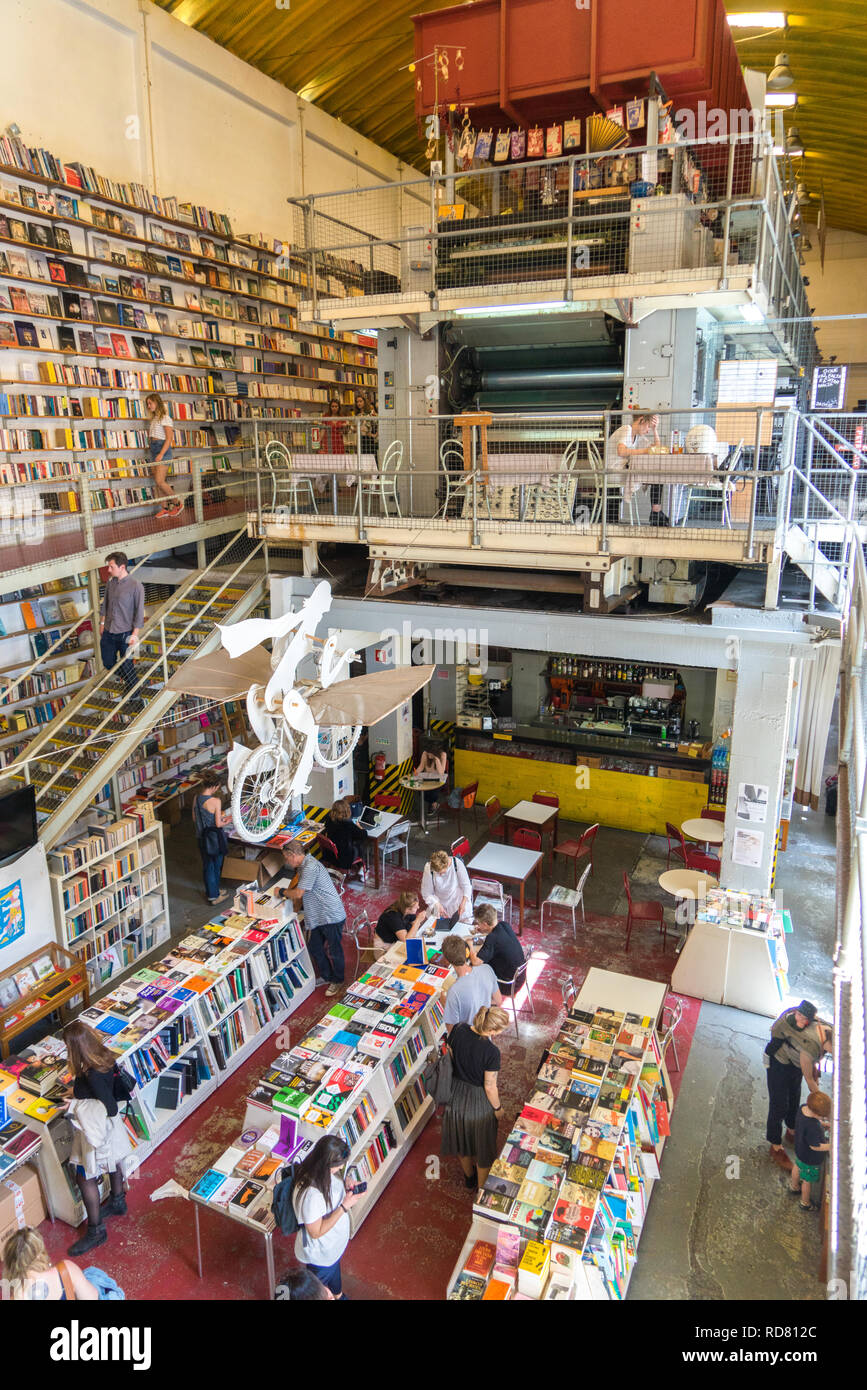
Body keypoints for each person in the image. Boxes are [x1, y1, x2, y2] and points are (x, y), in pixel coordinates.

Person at [63, 1018, 133, 1257]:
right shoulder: (105, 1057)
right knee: (112, 1162)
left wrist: (76, 1103)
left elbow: (109, 1107)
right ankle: (117, 1200)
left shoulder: (90, 1074)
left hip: (98, 1131)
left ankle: (96, 1231)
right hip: (111, 1131)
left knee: (84, 1176)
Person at [441, 1004, 510, 1190]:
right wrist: (498, 1109)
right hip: (478, 1101)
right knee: (484, 1149)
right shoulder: (491, 1052)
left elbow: (451, 1057)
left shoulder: (458, 1029)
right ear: (493, 1030)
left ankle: (469, 1178)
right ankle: (481, 1189)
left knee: (462, 1141)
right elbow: (489, 1086)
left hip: (455, 1095)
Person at [764, 1000, 833, 1171]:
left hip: (795, 1064)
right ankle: (775, 1145)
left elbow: (812, 1067)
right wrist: (825, 1107)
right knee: (779, 1105)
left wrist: (815, 1069)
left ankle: (792, 1131)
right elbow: (810, 1082)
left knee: (794, 1098)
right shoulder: (809, 1046)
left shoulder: (828, 1029)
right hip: (778, 1063)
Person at [291, 1134, 360, 1297]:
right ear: (327, 1166)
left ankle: (338, 1295)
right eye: (338, 1167)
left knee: (335, 1287)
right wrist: (344, 1207)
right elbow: (315, 1232)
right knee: (320, 1294)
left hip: (332, 1250)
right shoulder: (312, 1196)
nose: (341, 1170)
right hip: (321, 1256)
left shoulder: (318, 1169)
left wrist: (346, 1182)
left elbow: (332, 1184)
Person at [279, 842, 347, 996]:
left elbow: (298, 894)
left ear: (293, 855)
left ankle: (338, 980)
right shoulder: (304, 865)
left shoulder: (309, 867)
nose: (286, 861)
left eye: (286, 858)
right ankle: (326, 975)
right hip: (319, 916)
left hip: (330, 916)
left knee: (335, 951)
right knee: (315, 947)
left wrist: (281, 891)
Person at [1, 1228, 99, 1301]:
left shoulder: (15, 1296)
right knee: (93, 1276)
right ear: (39, 1254)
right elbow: (93, 1297)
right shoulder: (66, 1270)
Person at [606, 410, 668, 525]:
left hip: (622, 471)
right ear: (641, 420)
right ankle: (656, 513)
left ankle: (656, 512)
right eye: (648, 426)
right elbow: (621, 451)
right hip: (612, 473)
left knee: (657, 474)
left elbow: (657, 449)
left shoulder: (637, 437)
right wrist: (646, 451)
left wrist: (655, 430)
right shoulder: (626, 429)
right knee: (656, 474)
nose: (648, 430)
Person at [99, 551, 144, 693]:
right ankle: (134, 685)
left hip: (126, 633)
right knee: (108, 663)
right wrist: (102, 624)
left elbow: (139, 612)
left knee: (127, 665)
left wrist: (135, 635)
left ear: (122, 567)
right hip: (108, 631)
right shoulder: (110, 583)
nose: (108, 570)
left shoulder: (136, 586)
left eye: (111, 567)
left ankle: (133, 692)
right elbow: (105, 605)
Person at [441, 933, 502, 1033]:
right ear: (467, 952)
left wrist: (444, 1003)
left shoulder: (454, 991)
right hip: (486, 1031)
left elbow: (452, 1032)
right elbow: (498, 1000)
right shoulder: (487, 969)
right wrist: (480, 1001)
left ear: (447, 960)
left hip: (469, 1037)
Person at [786, 1090, 831, 1211]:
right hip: (810, 1158)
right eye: (822, 1116)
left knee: (797, 1166)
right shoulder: (813, 1127)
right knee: (807, 1180)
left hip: (800, 1150)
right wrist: (831, 1146)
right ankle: (805, 1203)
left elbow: (807, 1123)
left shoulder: (803, 1108)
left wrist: (822, 1123)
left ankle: (794, 1186)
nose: (823, 1118)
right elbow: (815, 1146)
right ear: (816, 1114)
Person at [469, 903, 524, 995]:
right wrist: (482, 930)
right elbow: (496, 941)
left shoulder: (492, 938)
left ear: (485, 924)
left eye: (478, 924)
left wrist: (470, 944)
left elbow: (476, 962)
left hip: (508, 984)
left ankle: (482, 1001)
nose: (477, 926)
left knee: (472, 969)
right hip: (520, 976)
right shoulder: (504, 924)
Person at [145, 392, 182, 518]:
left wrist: (161, 453)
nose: (149, 406)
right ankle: (165, 508)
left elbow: (169, 438)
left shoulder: (166, 418)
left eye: (150, 403)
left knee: (160, 481)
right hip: (154, 449)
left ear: (157, 402)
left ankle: (177, 503)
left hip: (162, 450)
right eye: (147, 404)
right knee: (158, 482)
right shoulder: (155, 419)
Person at [193, 777, 229, 905]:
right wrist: (228, 820)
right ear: (214, 786)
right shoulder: (215, 801)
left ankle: (213, 891)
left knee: (208, 865)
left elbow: (194, 818)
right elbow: (218, 824)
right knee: (216, 866)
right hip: (214, 838)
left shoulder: (196, 798)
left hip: (201, 837)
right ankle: (213, 897)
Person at [421, 848, 471, 922]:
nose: (440, 875)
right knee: (433, 925)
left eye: (443, 872)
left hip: (457, 899)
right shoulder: (429, 868)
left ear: (447, 865)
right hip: (439, 901)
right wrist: (437, 903)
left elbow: (466, 886)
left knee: (463, 924)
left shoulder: (457, 863)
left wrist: (463, 903)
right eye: (438, 873)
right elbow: (426, 893)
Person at [375, 890, 427, 957]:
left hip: (396, 940)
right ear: (408, 909)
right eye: (416, 907)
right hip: (383, 947)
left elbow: (413, 923)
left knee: (420, 950)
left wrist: (417, 921)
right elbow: (406, 940)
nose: (418, 907)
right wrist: (418, 920)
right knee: (414, 957)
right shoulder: (393, 916)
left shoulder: (403, 906)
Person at [324, 798, 368, 873]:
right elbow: (364, 835)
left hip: (331, 854)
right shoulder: (348, 824)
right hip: (344, 859)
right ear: (347, 810)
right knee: (360, 844)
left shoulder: (329, 819)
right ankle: (362, 867)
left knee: (353, 841)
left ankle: (361, 867)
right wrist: (360, 827)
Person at [414, 743, 448, 814]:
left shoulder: (443, 755)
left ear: (435, 753)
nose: (429, 755)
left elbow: (441, 772)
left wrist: (437, 759)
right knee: (421, 792)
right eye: (428, 753)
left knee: (433, 792)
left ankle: (433, 804)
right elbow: (421, 766)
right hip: (427, 777)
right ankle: (434, 804)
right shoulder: (425, 753)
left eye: (430, 754)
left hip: (438, 778)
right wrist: (415, 773)